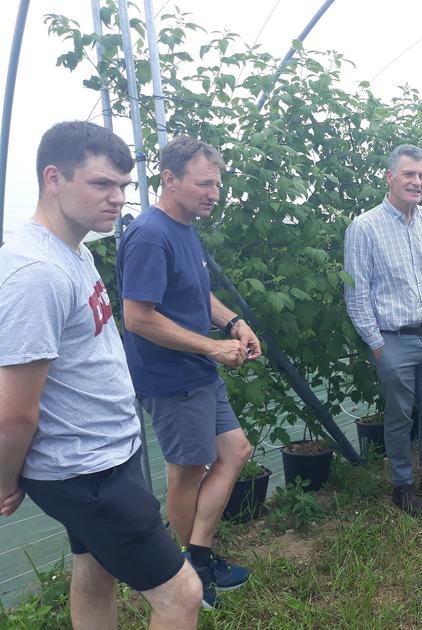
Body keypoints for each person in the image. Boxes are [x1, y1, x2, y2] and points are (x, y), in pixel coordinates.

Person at [0, 121, 202, 628]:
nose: (117, 198)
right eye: (101, 184)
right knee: (182, 596)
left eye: (123, 187)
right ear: (53, 178)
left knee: (94, 569)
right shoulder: (34, 274)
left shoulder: (74, 250)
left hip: (105, 449)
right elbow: (14, 412)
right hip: (86, 469)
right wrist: (5, 481)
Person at [117, 135, 262, 605]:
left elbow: (196, 296)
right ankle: (184, 575)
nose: (213, 194)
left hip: (198, 371)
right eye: (203, 184)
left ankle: (198, 554)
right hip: (173, 378)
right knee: (186, 474)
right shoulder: (150, 234)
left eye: (216, 184)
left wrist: (234, 324)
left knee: (236, 450)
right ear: (169, 179)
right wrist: (212, 348)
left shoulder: (184, 228)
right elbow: (138, 318)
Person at [344, 144, 422, 516]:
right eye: (409, 174)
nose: (417, 182)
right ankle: (402, 484)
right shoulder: (365, 227)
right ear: (390, 176)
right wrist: (377, 344)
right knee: (399, 417)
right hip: (394, 341)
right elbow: (357, 291)